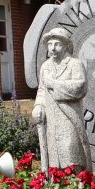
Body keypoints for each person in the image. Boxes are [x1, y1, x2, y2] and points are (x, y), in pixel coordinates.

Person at [32, 27, 89, 170]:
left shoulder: (75, 64)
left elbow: (80, 87)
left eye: (57, 44)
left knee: (71, 151)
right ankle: (58, 187)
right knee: (54, 160)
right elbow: (42, 90)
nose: (53, 48)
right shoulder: (45, 67)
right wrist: (38, 107)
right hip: (52, 121)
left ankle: (79, 185)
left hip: (69, 117)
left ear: (65, 46)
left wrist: (54, 84)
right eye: (50, 45)